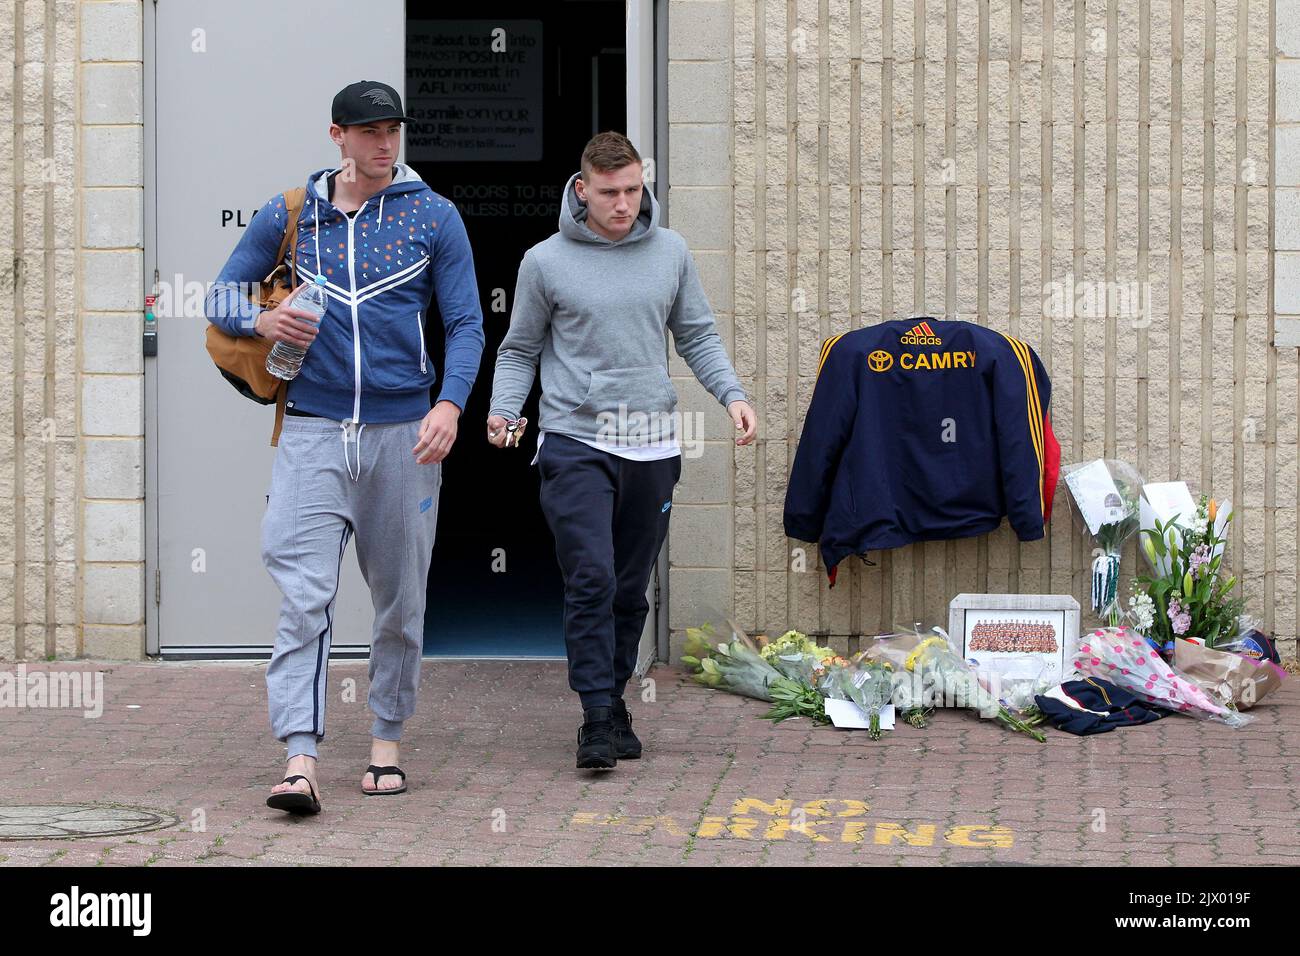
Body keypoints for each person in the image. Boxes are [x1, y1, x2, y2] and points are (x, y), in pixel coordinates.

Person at [205, 80, 485, 812]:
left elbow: (466, 324)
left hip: (404, 435)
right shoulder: (293, 213)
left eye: (392, 130)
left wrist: (450, 405)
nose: (383, 144)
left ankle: (387, 738)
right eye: (368, 132)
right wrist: (259, 324)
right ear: (338, 136)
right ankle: (300, 758)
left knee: (400, 600)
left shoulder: (435, 215)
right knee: (303, 596)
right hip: (313, 432)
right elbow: (220, 296)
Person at [487, 131, 757, 769]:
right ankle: (597, 718)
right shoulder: (544, 261)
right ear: (582, 190)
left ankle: (613, 696)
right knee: (592, 578)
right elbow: (520, 347)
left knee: (630, 589)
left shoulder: (671, 253)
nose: (623, 204)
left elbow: (695, 333)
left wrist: (732, 394)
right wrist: (503, 411)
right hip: (573, 439)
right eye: (610, 192)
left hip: (651, 444)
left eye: (634, 190)